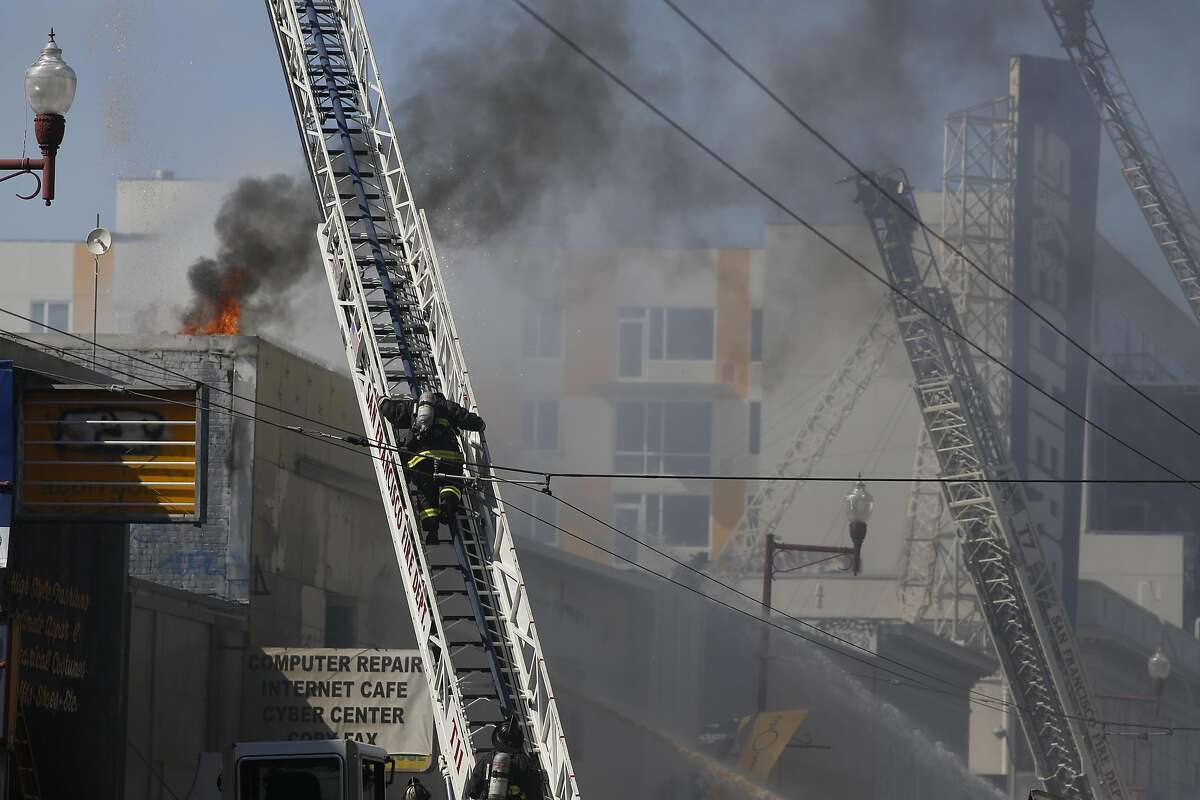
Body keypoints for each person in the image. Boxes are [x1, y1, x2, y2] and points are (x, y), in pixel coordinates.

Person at [379, 390, 485, 545]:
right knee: (452, 484)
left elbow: (392, 412)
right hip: (448, 459)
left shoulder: (412, 407)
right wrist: (481, 424)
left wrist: (382, 401)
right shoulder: (448, 407)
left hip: (420, 462)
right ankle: (447, 504)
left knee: (425, 494)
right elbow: (467, 419)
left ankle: (432, 530)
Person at [464, 714, 546, 800]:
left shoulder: (487, 759)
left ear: (498, 740)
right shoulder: (526, 763)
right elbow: (536, 795)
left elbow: (472, 790)